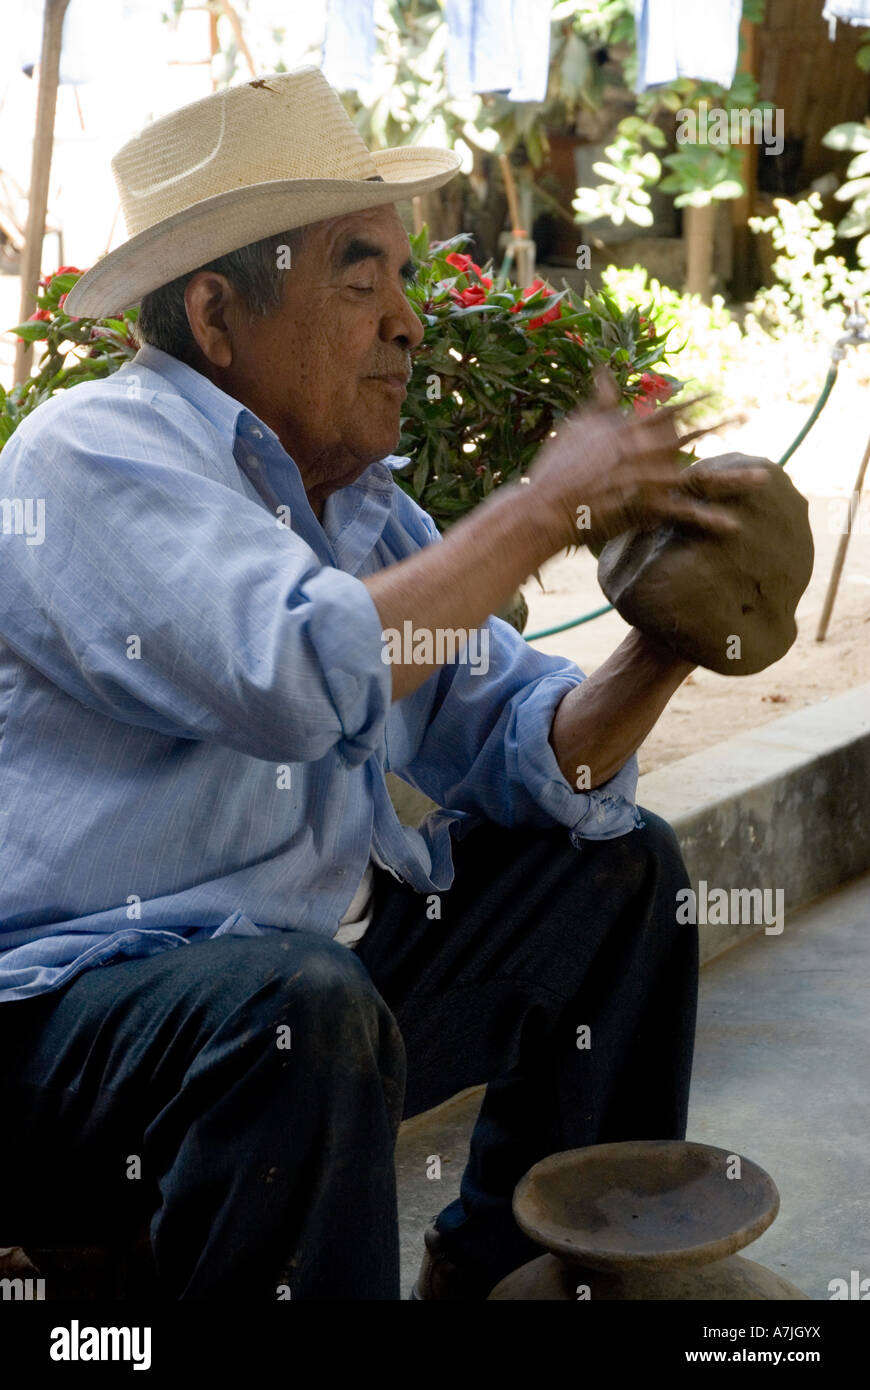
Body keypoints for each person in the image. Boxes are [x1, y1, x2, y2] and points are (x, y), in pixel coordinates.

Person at [0, 67, 765, 1300]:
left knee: (620, 876)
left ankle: (527, 1276)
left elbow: (523, 746)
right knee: (301, 1008)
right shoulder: (90, 456)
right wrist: (538, 508)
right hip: (69, 1036)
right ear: (215, 314)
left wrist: (671, 638)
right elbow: (298, 669)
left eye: (405, 279)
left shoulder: (357, 510)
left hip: (300, 991)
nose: (408, 319)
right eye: (363, 273)